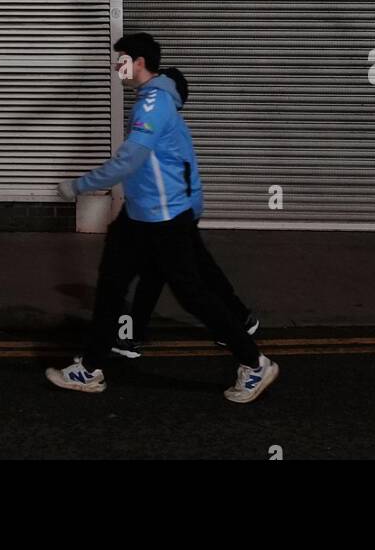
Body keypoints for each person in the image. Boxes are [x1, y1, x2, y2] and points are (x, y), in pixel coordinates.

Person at [46, 32, 278, 404]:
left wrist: (78, 185)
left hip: (163, 220)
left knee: (192, 294)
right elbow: (177, 160)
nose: (116, 66)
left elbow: (129, 161)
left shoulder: (154, 103)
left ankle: (254, 363)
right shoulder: (153, 100)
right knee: (110, 287)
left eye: (121, 59)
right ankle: (90, 369)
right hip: (139, 217)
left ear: (139, 62)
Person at [110, 67, 259, 360]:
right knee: (184, 271)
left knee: (178, 277)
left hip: (174, 213)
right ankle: (240, 320)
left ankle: (239, 327)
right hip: (176, 211)